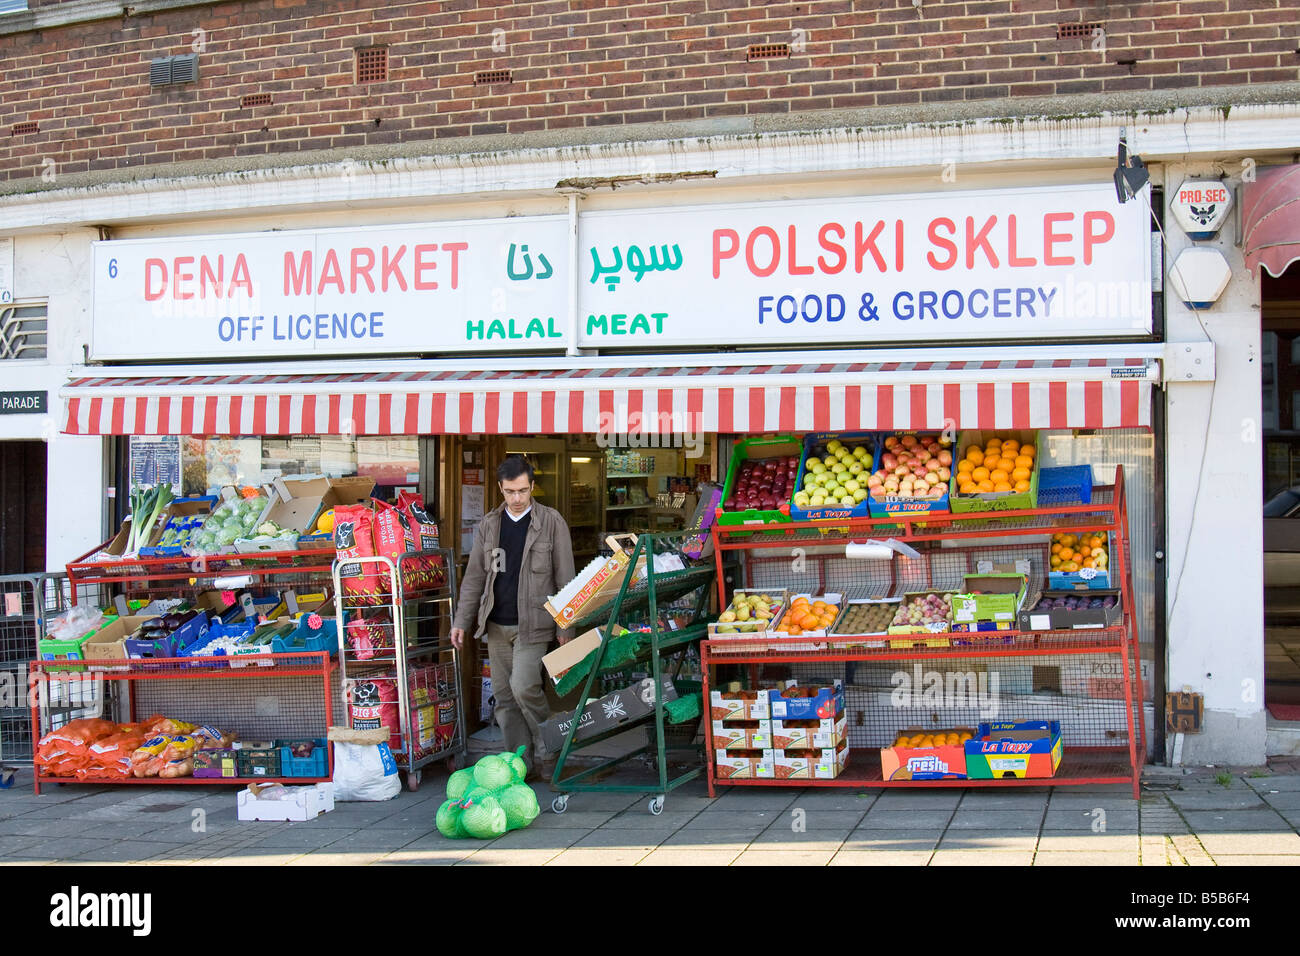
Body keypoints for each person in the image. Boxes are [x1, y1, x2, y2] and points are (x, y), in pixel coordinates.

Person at [450, 455, 576, 780]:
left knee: (524, 687)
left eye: (522, 491)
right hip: (495, 624)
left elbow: (567, 578)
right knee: (504, 698)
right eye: (510, 492)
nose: (517, 499)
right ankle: (519, 763)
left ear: (532, 487)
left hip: (534, 624)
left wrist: (566, 626)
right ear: (500, 489)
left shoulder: (551, 521)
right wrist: (461, 622)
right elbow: (475, 578)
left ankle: (550, 750)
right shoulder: (489, 525)